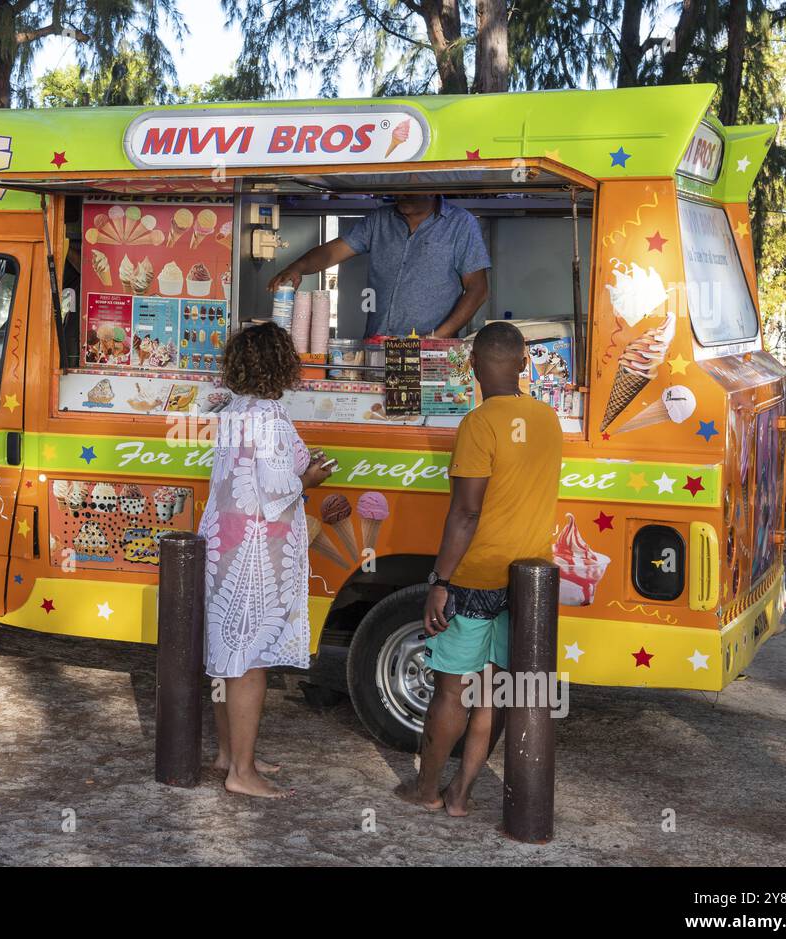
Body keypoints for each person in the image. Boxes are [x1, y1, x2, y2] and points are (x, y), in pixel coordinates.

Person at [395, 321, 562, 816]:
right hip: (526, 578)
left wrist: (439, 581)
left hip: (475, 577)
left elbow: (466, 513)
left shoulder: (477, 424)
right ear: (524, 363)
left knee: (452, 691)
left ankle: (425, 790)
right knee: (491, 691)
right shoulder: (549, 419)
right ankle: (461, 796)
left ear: (471, 367)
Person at [201, 322, 335, 798]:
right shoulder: (271, 418)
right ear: (284, 365)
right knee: (250, 661)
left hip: (225, 545)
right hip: (256, 554)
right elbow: (278, 491)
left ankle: (228, 754)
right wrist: (312, 478)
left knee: (226, 655)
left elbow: (251, 476)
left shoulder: (234, 410)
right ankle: (242, 773)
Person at [267, 194, 490, 338]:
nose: (400, 194)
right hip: (378, 346)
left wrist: (436, 338)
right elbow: (333, 251)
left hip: (432, 354)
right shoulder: (379, 220)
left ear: (430, 188)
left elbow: (477, 289)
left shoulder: (460, 224)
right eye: (397, 187)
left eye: (408, 188)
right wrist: (298, 267)